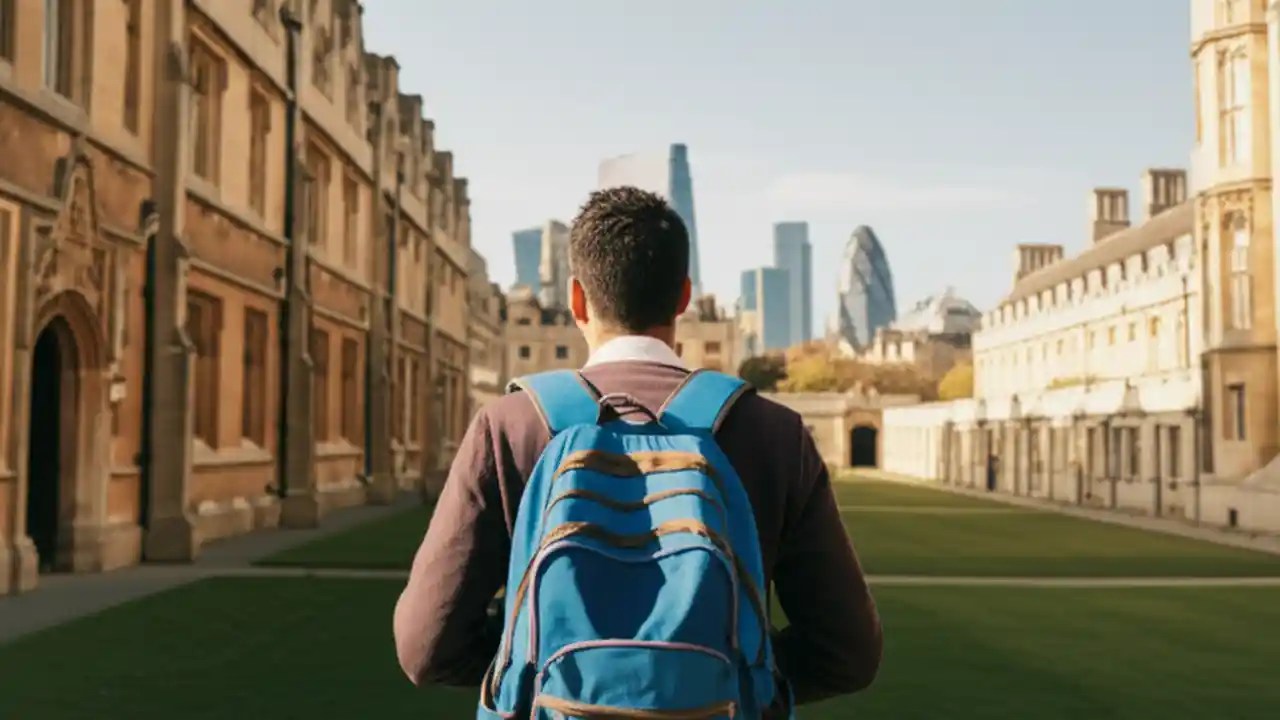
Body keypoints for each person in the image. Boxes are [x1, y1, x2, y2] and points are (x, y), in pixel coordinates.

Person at [393, 186, 882, 713]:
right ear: (683, 298)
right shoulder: (774, 433)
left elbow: (427, 646)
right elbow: (847, 652)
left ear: (577, 299)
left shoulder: (509, 427)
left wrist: (546, 671)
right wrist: (726, 673)